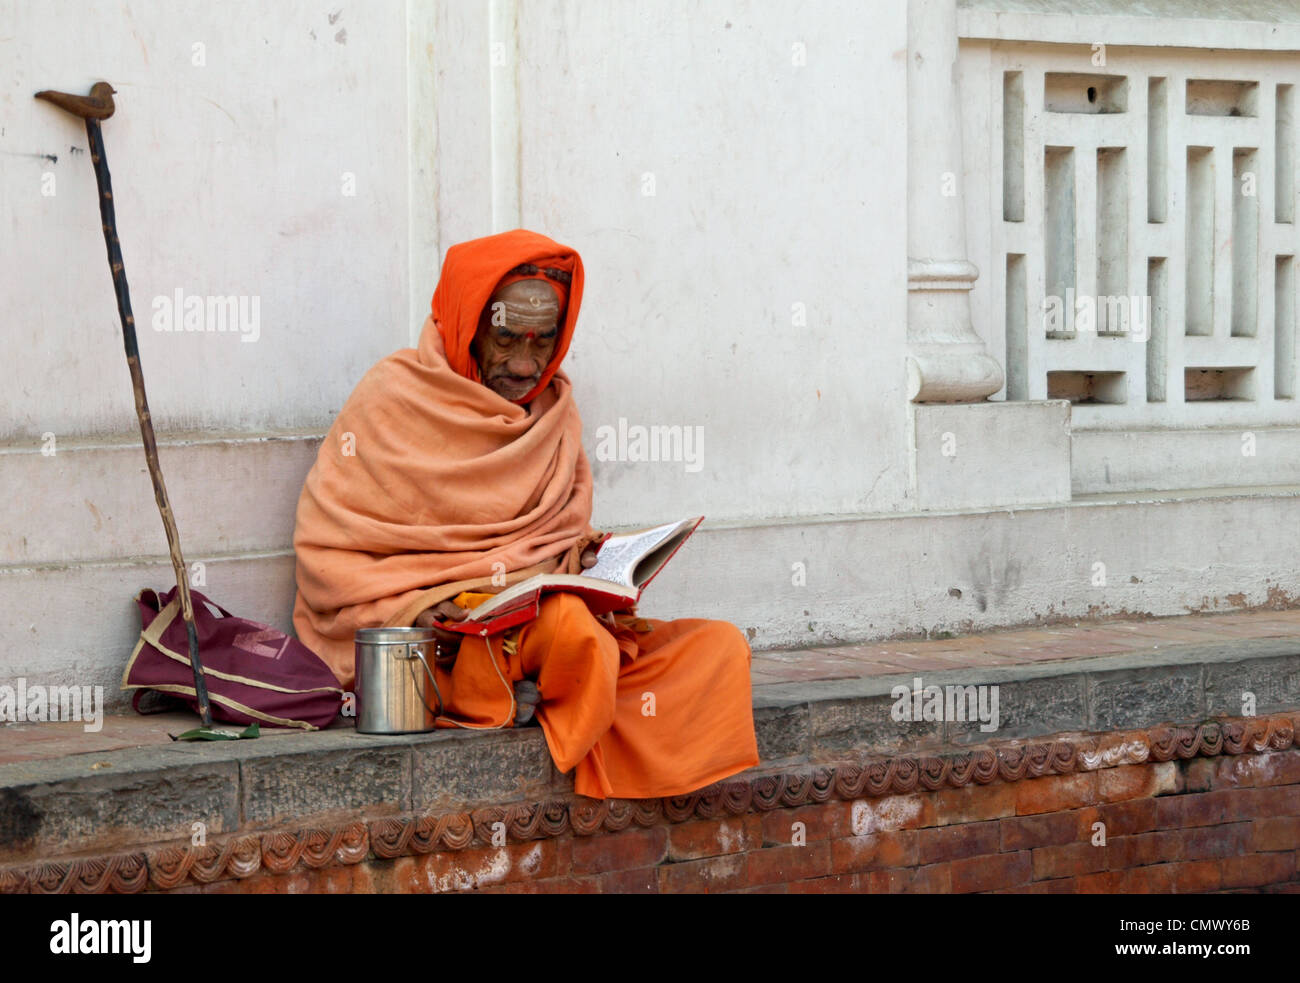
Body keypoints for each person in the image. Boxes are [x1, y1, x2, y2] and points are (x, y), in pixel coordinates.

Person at [291, 229, 758, 799]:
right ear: (465, 325)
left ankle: (532, 693)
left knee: (719, 648)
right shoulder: (391, 398)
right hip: (440, 646)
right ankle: (496, 691)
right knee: (571, 634)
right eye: (507, 338)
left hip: (538, 627)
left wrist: (585, 555)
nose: (525, 363)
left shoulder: (553, 408)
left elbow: (547, 534)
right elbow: (326, 553)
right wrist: (415, 606)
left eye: (544, 341)